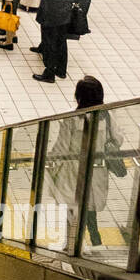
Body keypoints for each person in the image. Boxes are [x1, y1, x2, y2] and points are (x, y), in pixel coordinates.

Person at [49, 77, 121, 250]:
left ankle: (72, 246)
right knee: (90, 204)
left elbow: (61, 148)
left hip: (73, 172)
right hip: (97, 170)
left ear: (79, 97)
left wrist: (50, 169)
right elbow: (117, 139)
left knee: (73, 210)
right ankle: (95, 241)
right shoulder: (107, 115)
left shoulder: (72, 118)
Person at [32, 0, 72, 82]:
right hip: (64, 7)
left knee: (51, 40)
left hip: (52, 9)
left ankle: (49, 73)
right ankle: (61, 70)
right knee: (61, 39)